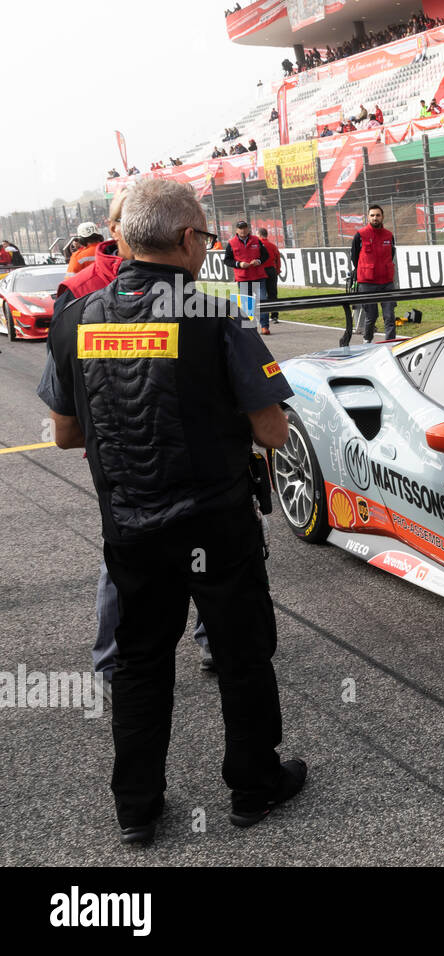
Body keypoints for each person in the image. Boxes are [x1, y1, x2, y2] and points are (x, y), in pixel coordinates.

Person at [38, 178, 306, 845]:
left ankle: (137, 807)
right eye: (207, 240)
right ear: (189, 240)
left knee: (140, 661)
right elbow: (273, 433)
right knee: (243, 655)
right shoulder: (216, 315)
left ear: (125, 237)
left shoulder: (75, 316)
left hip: (129, 524)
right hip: (216, 520)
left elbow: (66, 434)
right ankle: (252, 787)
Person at [52, 190, 215, 686]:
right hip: (118, 447)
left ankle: (213, 638)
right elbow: (65, 391)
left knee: (209, 539)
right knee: (127, 553)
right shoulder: (78, 289)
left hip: (187, 445)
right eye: (124, 222)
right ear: (116, 228)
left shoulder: (188, 287)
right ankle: (113, 657)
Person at [347, 204, 398, 344]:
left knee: (389, 316)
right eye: (372, 215)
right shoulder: (360, 235)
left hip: (387, 282)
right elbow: (354, 257)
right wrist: (365, 270)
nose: (375, 218)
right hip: (367, 283)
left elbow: (391, 254)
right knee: (371, 316)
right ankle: (367, 341)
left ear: (382, 217)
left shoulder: (389, 235)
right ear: (368, 217)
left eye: (378, 215)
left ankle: (390, 344)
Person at [223, 219, 270, 334]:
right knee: (246, 303)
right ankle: (250, 328)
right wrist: (239, 264)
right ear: (236, 230)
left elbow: (266, 255)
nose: (243, 230)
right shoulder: (231, 243)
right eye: (240, 228)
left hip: (259, 276)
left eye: (245, 227)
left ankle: (265, 326)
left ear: (248, 229)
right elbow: (227, 260)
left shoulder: (256, 240)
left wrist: (258, 261)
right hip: (243, 277)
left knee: (262, 300)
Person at [258, 228, 281, 325]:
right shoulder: (273, 246)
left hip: (261, 271)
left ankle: (263, 315)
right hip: (272, 270)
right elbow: (278, 259)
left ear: (259, 235)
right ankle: (275, 315)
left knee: (261, 294)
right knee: (273, 293)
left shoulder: (257, 246)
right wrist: (277, 270)